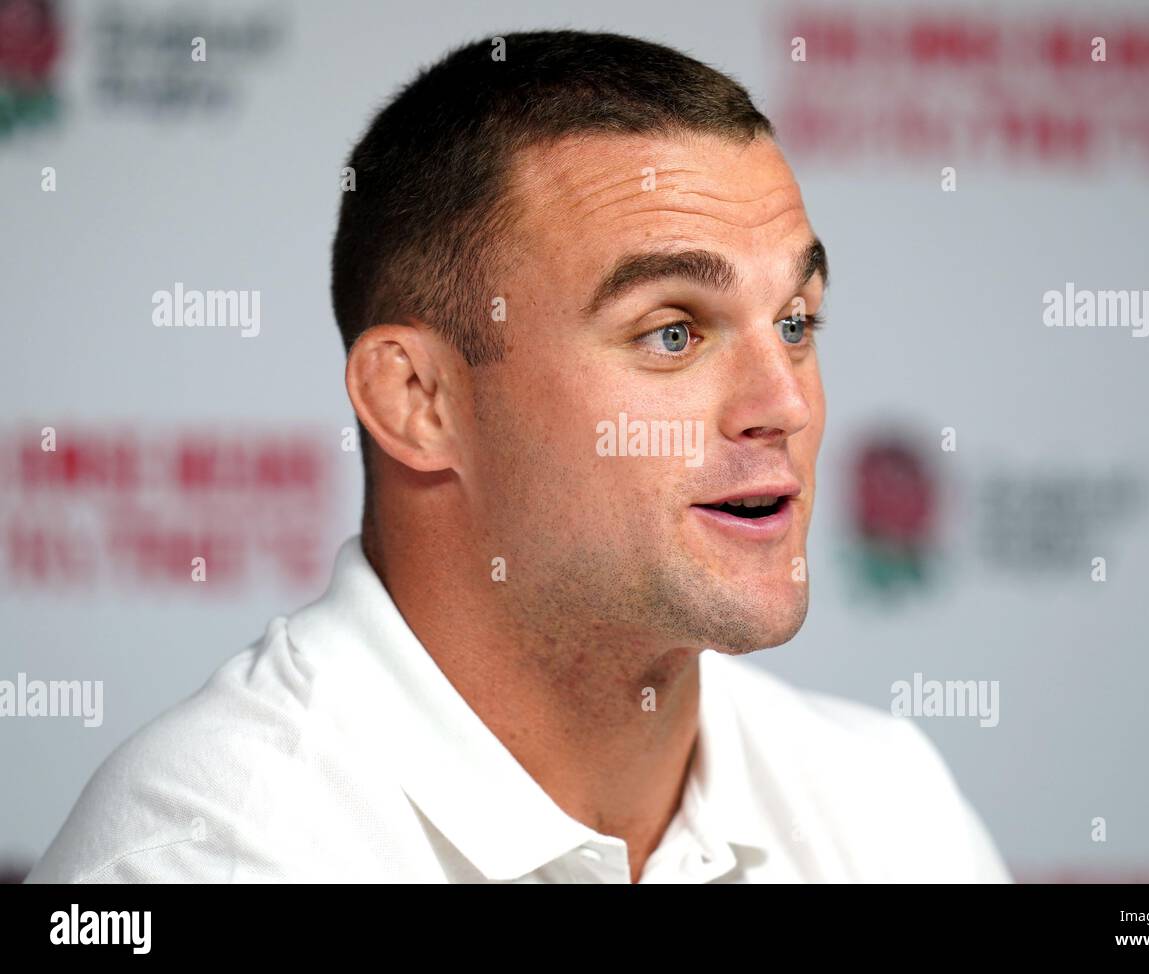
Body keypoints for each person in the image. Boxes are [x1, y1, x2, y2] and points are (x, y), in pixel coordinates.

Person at [28, 29, 1010, 883]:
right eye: (673, 331)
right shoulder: (211, 856)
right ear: (418, 400)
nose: (785, 402)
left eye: (796, 321)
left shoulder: (890, 807)